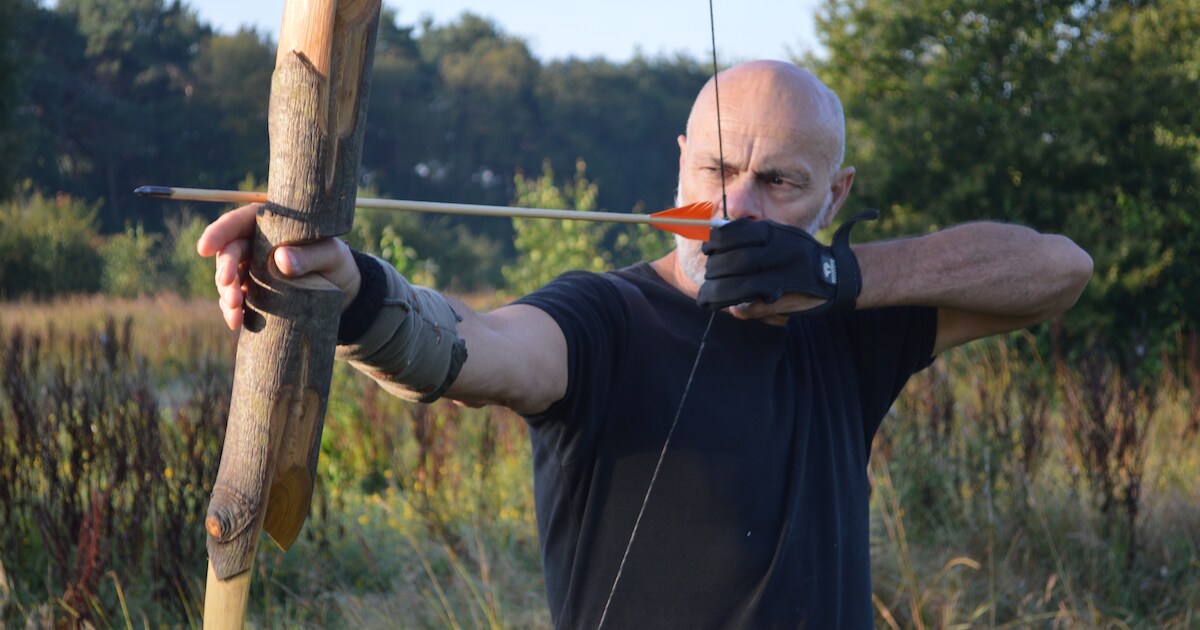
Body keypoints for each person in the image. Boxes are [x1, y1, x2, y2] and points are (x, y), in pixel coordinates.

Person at [198, 60, 1092, 628]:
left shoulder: (848, 325)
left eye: (779, 182)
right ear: (679, 164)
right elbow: (468, 347)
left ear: (835, 191)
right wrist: (355, 293)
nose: (739, 208)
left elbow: (1059, 270)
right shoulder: (604, 318)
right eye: (716, 170)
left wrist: (835, 279)